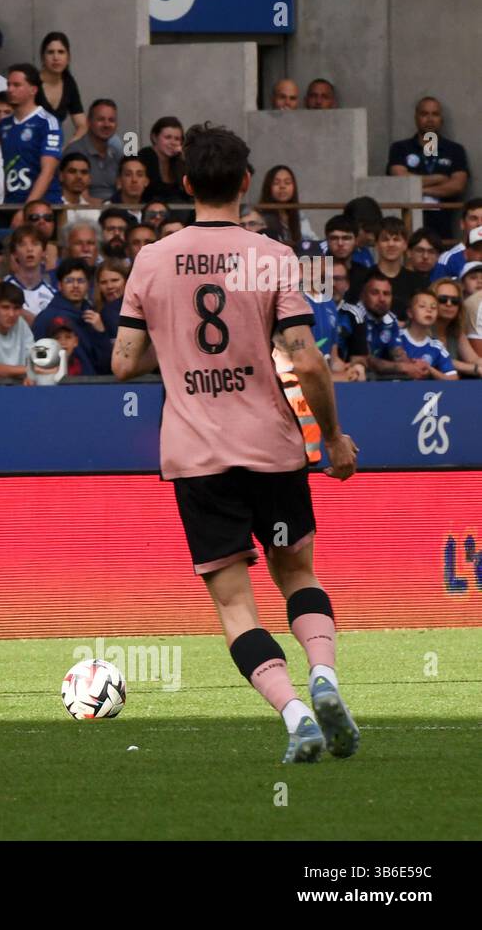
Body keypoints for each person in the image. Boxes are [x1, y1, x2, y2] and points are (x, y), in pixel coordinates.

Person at [111, 121, 360, 764]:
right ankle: (325, 677)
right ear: (245, 181)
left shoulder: (151, 259)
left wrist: (175, 341)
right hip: (272, 448)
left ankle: (296, 714)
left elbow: (123, 361)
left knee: (234, 605)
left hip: (198, 457)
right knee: (297, 571)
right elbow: (306, 361)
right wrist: (332, 438)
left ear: (184, 182)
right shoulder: (273, 255)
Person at [387, 96, 469, 241]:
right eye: (424, 114)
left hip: (442, 225)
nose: (430, 119)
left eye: (435, 114)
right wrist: (439, 179)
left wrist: (419, 189)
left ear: (441, 119)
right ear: (416, 117)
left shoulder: (454, 150)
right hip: (407, 225)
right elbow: (399, 178)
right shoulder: (400, 148)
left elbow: (457, 185)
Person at [0, 62, 62, 212]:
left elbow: (48, 171)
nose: (10, 89)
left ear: (33, 89)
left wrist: (27, 209)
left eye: (16, 85)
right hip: (11, 202)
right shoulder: (4, 125)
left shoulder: (47, 122)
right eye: (8, 84)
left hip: (43, 205)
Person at [35, 31, 85, 143]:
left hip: (56, 144)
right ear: (43, 57)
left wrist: (66, 148)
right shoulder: (32, 82)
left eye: (61, 52)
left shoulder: (69, 83)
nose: (56, 57)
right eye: (50, 52)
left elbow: (82, 125)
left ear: (68, 58)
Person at [396, 289, 457, 381]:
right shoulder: (396, 338)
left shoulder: (437, 346)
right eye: (422, 306)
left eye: (433, 307)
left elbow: (453, 379)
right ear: (410, 313)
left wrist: (429, 369)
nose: (429, 310)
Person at [138, 116, 189, 203]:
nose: (172, 143)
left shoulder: (180, 159)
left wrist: (186, 160)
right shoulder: (144, 156)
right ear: (154, 137)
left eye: (177, 139)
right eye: (168, 137)